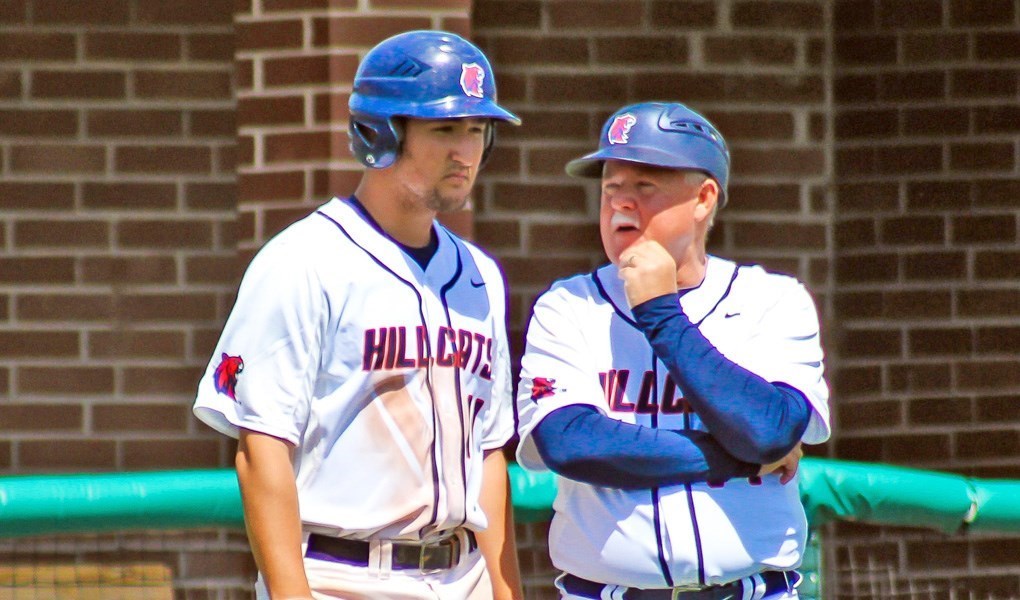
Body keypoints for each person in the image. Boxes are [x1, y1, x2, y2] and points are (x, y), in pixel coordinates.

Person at [193, 30, 523, 600]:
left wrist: (505, 591)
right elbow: (260, 451)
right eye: (445, 128)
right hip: (339, 576)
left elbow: (490, 454)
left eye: (476, 130)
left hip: (463, 575)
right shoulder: (303, 261)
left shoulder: (480, 275)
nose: (465, 152)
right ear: (382, 134)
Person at [515, 102, 831, 600]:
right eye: (611, 188)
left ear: (704, 198)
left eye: (645, 186)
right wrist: (733, 459)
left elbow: (768, 432)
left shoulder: (773, 300)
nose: (621, 204)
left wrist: (662, 314)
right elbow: (571, 443)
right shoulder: (567, 305)